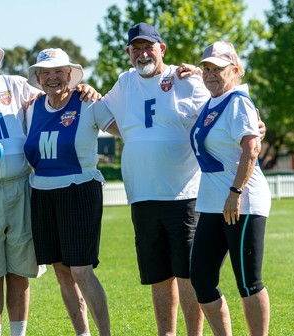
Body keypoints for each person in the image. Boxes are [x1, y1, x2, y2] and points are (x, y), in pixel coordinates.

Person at [0, 30, 99, 336]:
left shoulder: (16, 85)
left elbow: (54, 99)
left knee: (19, 268)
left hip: (22, 186)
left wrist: (81, 89)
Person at [93, 22, 210, 336]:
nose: (143, 54)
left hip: (184, 195)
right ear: (129, 52)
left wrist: (204, 76)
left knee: (188, 275)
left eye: (149, 47)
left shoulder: (185, 79)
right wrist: (132, 135)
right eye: (137, 48)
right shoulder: (125, 82)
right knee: (158, 276)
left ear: (162, 49)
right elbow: (101, 115)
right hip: (142, 196)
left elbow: (219, 108)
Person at [24, 48, 114, 336]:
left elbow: (128, 129)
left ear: (70, 75)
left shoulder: (88, 102)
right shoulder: (31, 108)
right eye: (46, 72)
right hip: (42, 193)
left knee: (80, 270)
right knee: (61, 272)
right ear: (38, 78)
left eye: (58, 72)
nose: (52, 77)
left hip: (79, 191)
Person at [188, 41, 271, 336]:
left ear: (234, 70)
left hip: (242, 201)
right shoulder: (211, 102)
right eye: (206, 68)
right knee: (201, 279)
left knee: (248, 281)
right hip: (213, 202)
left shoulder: (238, 101)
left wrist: (235, 193)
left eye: (218, 68)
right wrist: (187, 72)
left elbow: (251, 149)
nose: (210, 74)